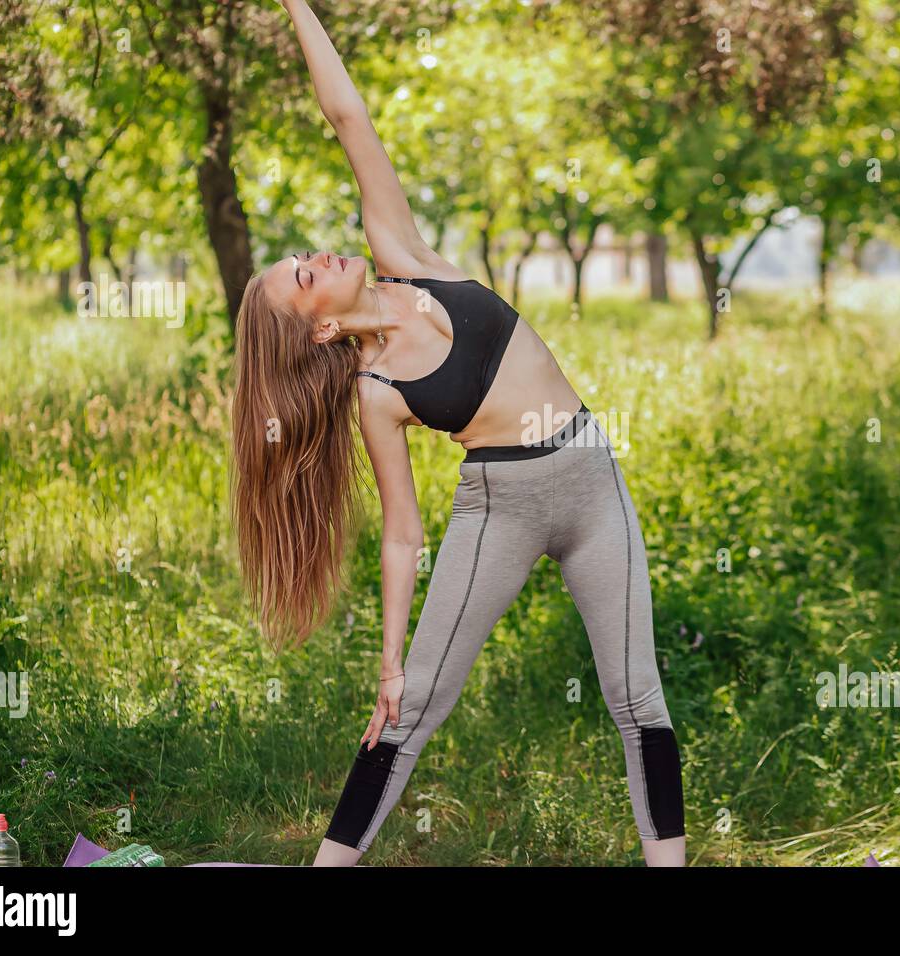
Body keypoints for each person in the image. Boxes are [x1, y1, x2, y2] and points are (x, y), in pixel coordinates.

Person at [231, 0, 685, 866]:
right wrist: (390, 661)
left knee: (639, 698)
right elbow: (402, 533)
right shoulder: (376, 391)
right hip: (499, 510)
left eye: (302, 254)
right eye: (301, 277)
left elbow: (347, 116)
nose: (314, 255)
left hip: (593, 481)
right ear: (319, 330)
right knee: (413, 706)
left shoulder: (406, 255)